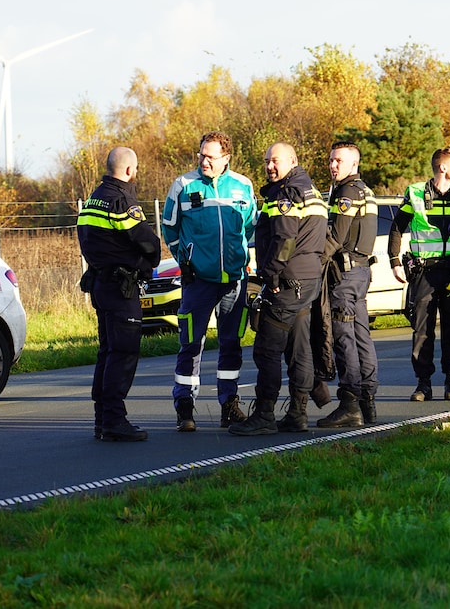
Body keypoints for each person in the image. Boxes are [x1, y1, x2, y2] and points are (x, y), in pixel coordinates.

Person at [161, 131, 258, 432]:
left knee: (231, 344)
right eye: (202, 155)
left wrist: (243, 259)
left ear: (226, 158)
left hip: (235, 281)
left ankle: (229, 405)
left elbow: (250, 228)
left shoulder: (243, 185)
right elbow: (169, 228)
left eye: (211, 157)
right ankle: (184, 407)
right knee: (191, 344)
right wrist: (185, 261)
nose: (204, 161)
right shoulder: (183, 185)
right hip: (198, 281)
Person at [229, 142, 329, 436]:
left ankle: (264, 415)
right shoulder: (311, 191)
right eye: (266, 161)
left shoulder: (286, 194)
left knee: (267, 349)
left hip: (287, 282)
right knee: (299, 348)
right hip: (307, 281)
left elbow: (284, 239)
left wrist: (271, 275)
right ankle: (298, 413)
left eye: (275, 161)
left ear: (292, 161)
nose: (269, 166)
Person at [77, 146, 162, 442]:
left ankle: (102, 418)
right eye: (135, 169)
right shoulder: (121, 201)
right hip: (121, 288)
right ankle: (114, 420)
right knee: (123, 353)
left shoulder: (93, 199)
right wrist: (149, 259)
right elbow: (147, 242)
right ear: (129, 170)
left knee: (107, 352)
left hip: (101, 284)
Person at [388, 147, 450, 403]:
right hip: (425, 272)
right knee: (422, 330)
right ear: (443, 168)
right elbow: (397, 228)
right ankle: (423, 384)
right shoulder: (416, 193)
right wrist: (395, 262)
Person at [316, 141, 380, 428]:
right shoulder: (365, 190)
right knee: (361, 335)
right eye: (331, 160)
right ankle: (368, 400)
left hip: (345, 275)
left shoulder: (346, 192)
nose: (333, 165)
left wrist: (313, 264)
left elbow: (335, 237)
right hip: (360, 272)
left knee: (344, 338)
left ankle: (350, 403)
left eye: (338, 161)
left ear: (354, 163)